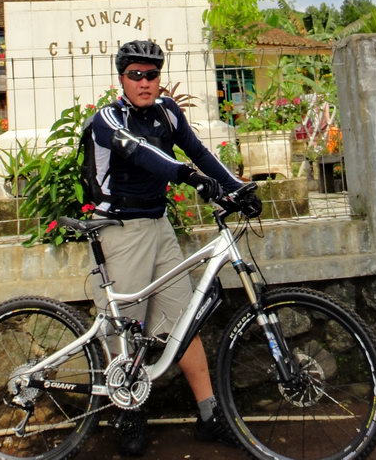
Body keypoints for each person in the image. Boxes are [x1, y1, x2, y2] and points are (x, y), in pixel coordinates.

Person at [89, 39, 256, 456]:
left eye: (152, 75)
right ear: (122, 78)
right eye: (136, 75)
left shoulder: (167, 111)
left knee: (184, 320)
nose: (145, 83)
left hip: (158, 224)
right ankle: (128, 412)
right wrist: (188, 176)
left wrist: (236, 189)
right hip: (120, 227)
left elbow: (198, 149)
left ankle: (209, 414)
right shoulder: (108, 119)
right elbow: (140, 151)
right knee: (126, 326)